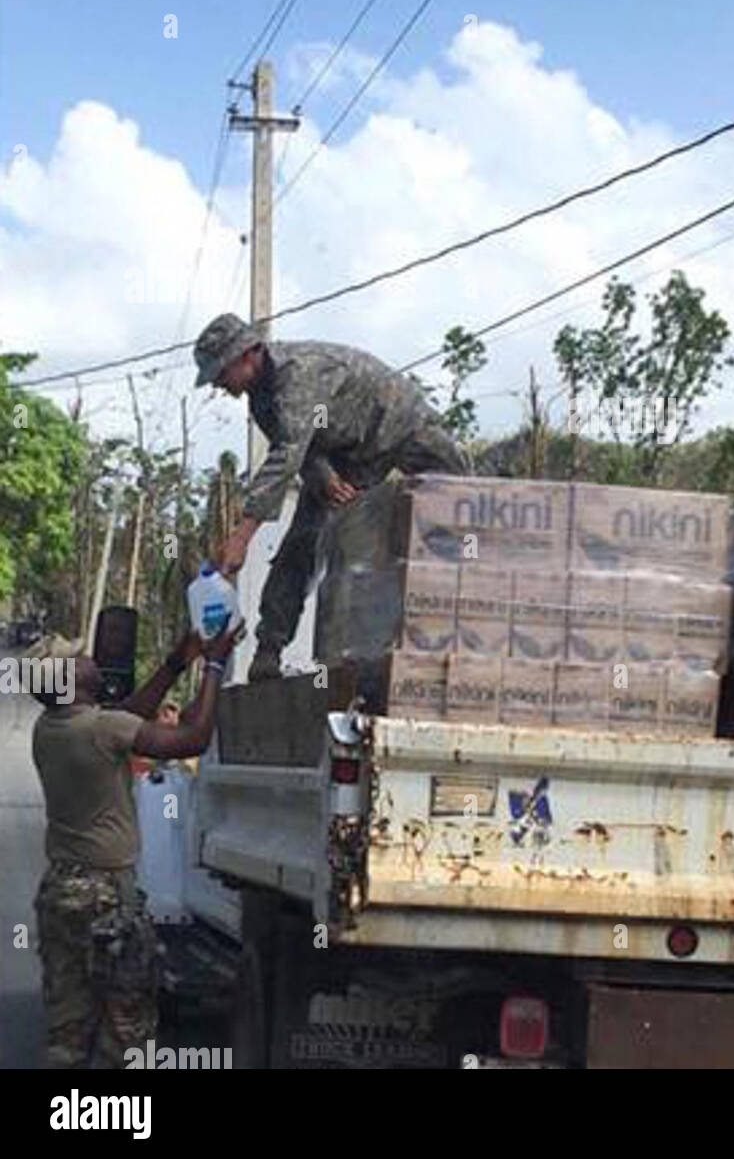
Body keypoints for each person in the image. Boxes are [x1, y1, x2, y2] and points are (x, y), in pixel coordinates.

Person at [192, 314, 465, 680]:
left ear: (246, 355)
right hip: (346, 455)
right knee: (303, 543)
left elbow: (286, 455)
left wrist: (241, 537)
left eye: (220, 373)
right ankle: (269, 648)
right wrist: (322, 476)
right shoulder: (261, 402)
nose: (219, 385)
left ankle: (470, 622)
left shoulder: (298, 372)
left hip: (398, 424)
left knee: (465, 502)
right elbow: (298, 445)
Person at [30, 621, 246, 1068]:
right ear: (67, 681)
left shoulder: (50, 728)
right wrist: (215, 665)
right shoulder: (102, 728)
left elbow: (130, 713)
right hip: (107, 896)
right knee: (127, 1029)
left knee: (67, 1028)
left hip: (60, 891)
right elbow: (193, 740)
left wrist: (176, 662)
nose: (89, 659)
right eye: (78, 659)